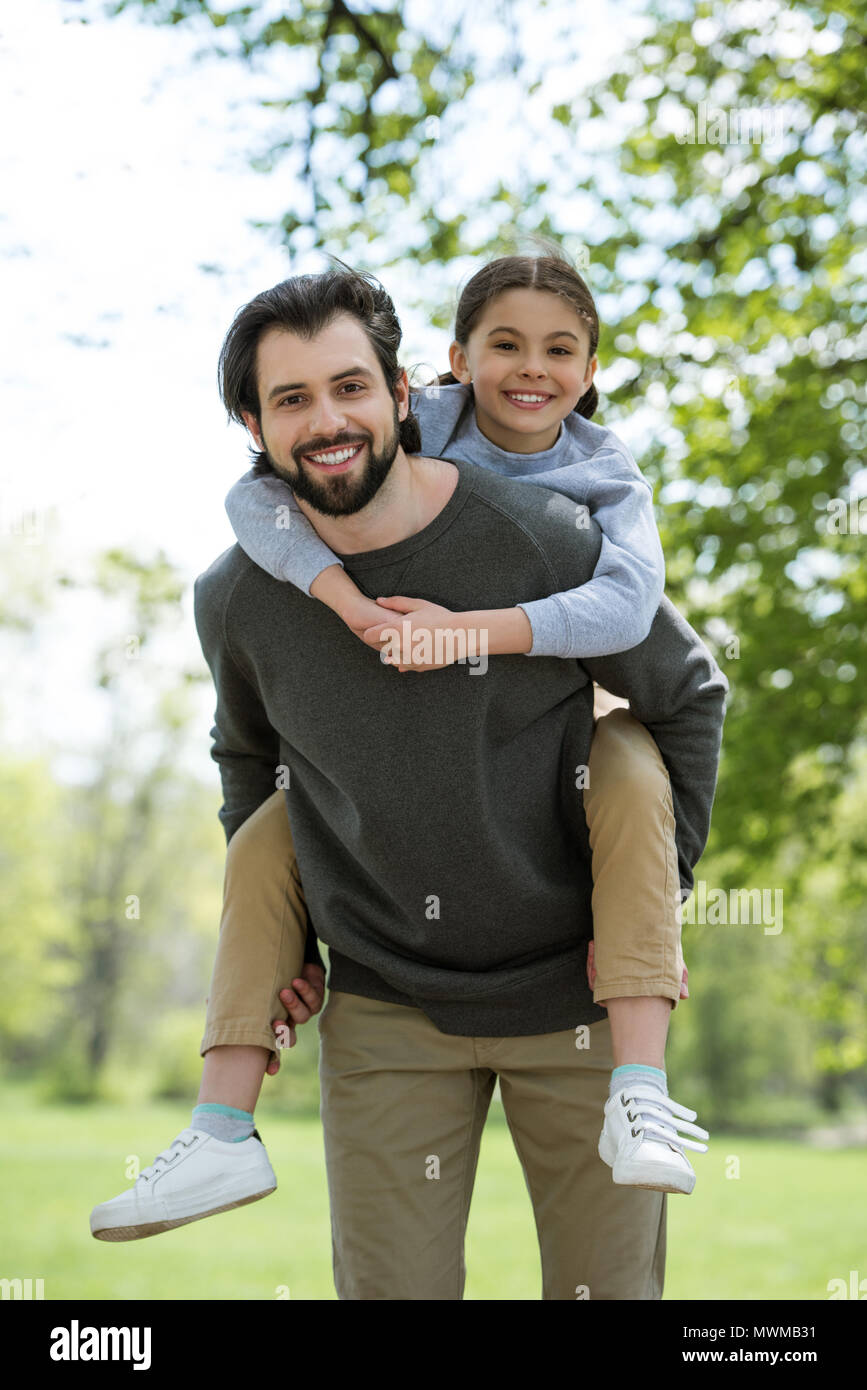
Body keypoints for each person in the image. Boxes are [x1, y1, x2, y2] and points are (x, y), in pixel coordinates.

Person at [90, 262, 727, 1298]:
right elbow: (249, 763)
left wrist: (657, 903)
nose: (327, 420)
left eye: (349, 387)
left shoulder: (547, 538)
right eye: (290, 398)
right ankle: (219, 1127)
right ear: (253, 427)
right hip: (388, 1000)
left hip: (581, 996)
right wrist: (285, 946)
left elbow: (688, 695)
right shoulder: (240, 596)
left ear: (403, 394)